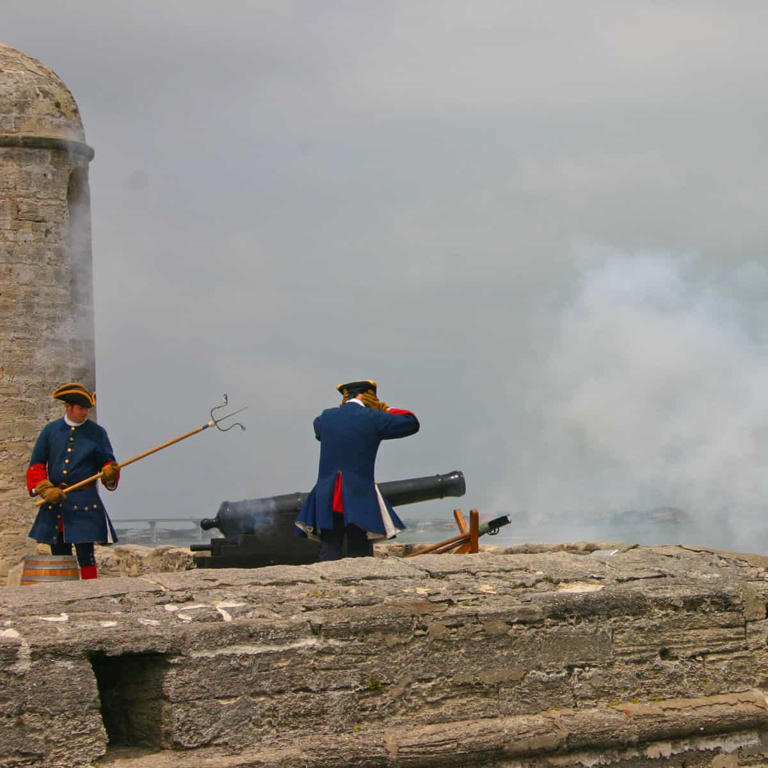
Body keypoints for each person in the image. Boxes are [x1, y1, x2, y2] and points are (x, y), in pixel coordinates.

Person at [295, 379, 419, 560]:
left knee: (329, 546)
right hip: (358, 492)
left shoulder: (326, 417)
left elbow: (318, 428)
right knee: (359, 546)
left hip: (326, 492)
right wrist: (385, 409)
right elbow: (411, 422)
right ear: (366, 396)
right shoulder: (373, 417)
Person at [26, 383, 120, 580]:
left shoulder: (97, 433)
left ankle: (90, 590)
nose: (85, 412)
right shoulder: (50, 431)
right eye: (81, 408)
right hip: (56, 500)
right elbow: (36, 466)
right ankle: (64, 591)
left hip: (85, 501)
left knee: (86, 555)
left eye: (87, 409)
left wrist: (109, 472)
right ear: (68, 407)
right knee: (60, 552)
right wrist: (45, 489)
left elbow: (108, 463)